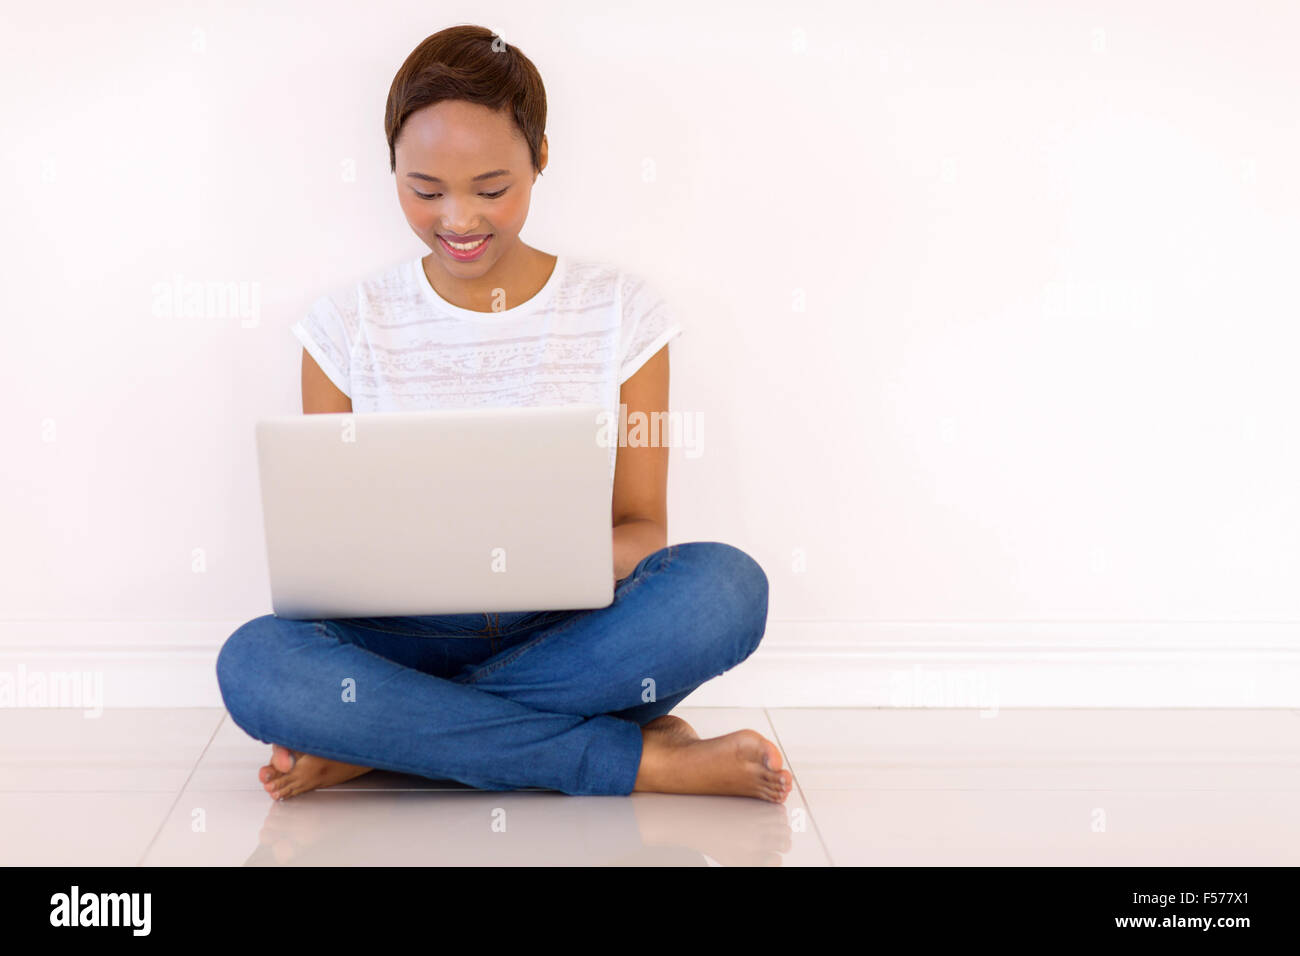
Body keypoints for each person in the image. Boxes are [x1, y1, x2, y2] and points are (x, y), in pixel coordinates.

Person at [216, 24, 792, 803]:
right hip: (404, 640)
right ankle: (638, 760)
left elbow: (643, 532)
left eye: (491, 190)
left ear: (541, 158)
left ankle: (384, 743)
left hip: (570, 627)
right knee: (254, 664)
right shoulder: (342, 328)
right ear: (392, 168)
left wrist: (542, 560)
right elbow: (328, 563)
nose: (459, 220)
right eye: (426, 191)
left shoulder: (623, 311)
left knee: (725, 588)